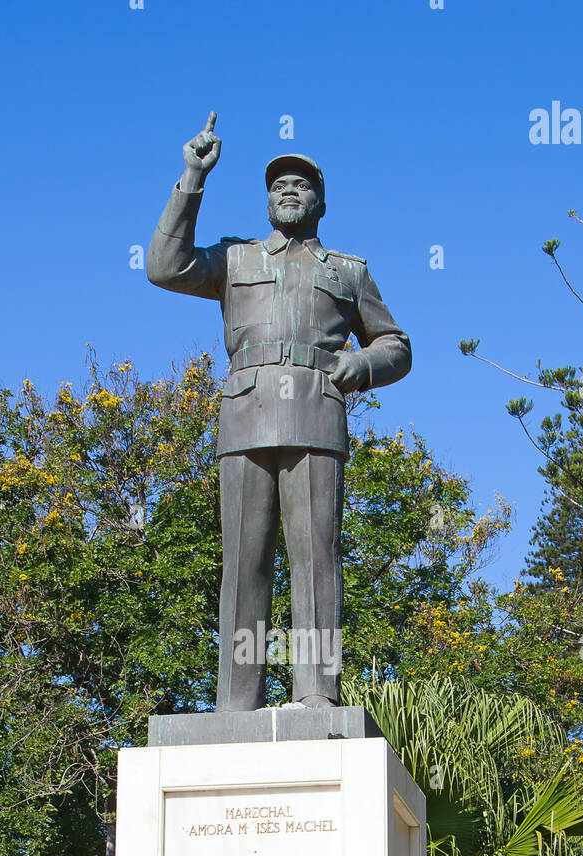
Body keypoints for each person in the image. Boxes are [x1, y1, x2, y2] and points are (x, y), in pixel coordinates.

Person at [147, 112, 411, 710]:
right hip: (244, 415)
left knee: (315, 557)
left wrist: (359, 366)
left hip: (315, 414)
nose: (288, 191)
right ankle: (236, 702)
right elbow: (164, 267)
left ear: (320, 200)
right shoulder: (235, 259)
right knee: (243, 561)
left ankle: (317, 693)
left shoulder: (348, 270)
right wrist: (192, 176)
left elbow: (397, 345)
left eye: (301, 184)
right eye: (277, 185)